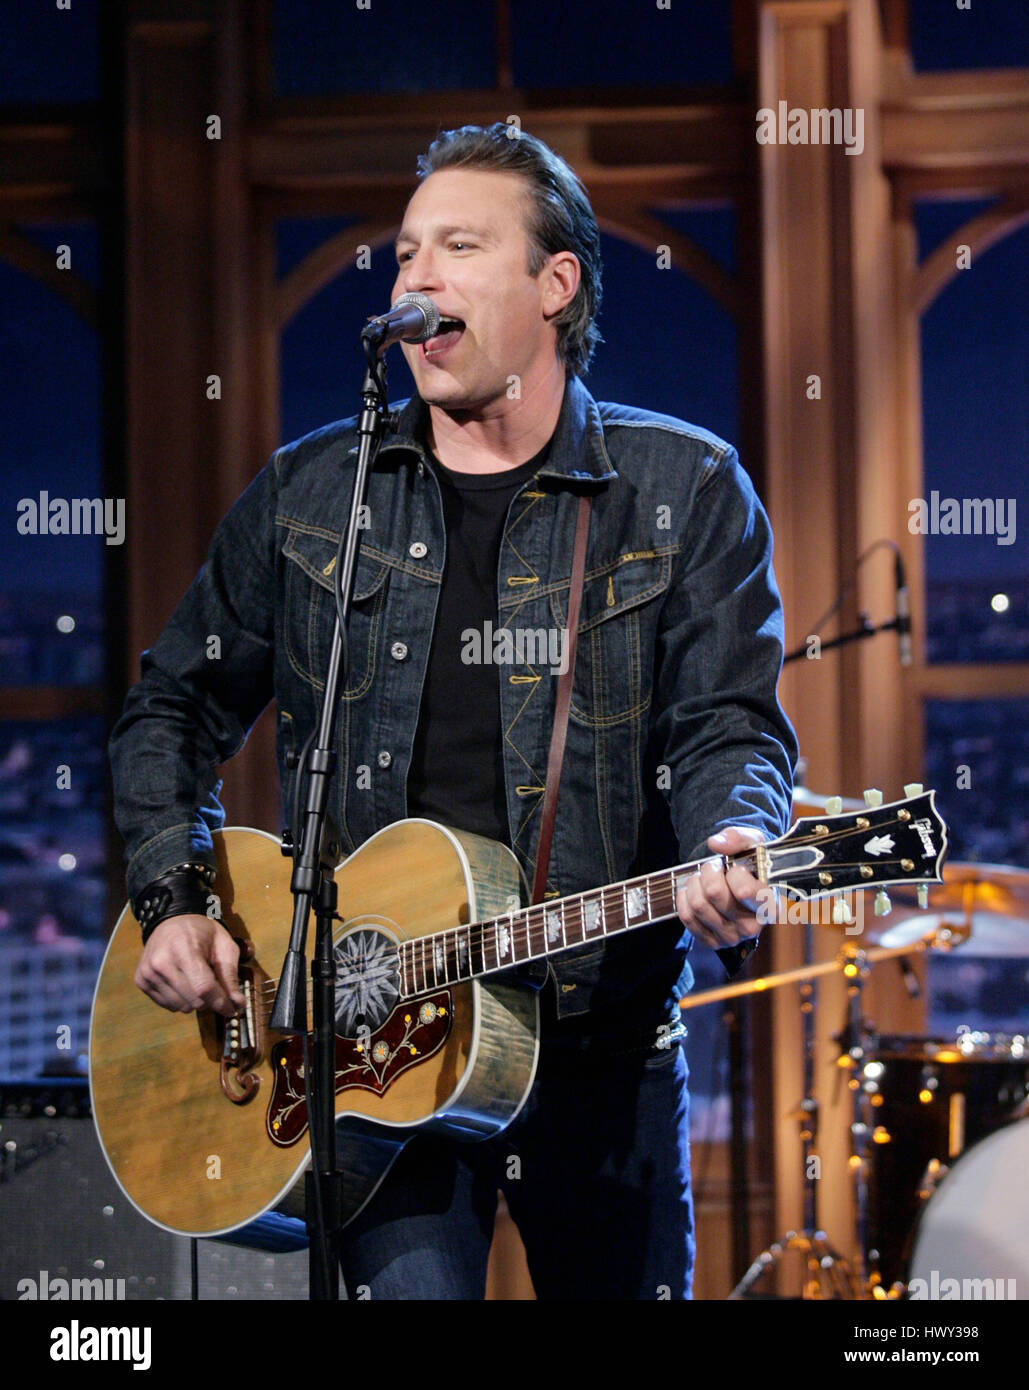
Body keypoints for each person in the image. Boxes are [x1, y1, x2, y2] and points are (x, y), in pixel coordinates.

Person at [109, 123, 798, 1300]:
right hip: (371, 1050)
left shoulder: (680, 489)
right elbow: (169, 706)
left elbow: (727, 726)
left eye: (459, 246)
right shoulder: (314, 493)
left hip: (602, 1049)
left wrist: (732, 835)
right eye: (405, 252)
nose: (414, 277)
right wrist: (176, 899)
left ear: (555, 284)